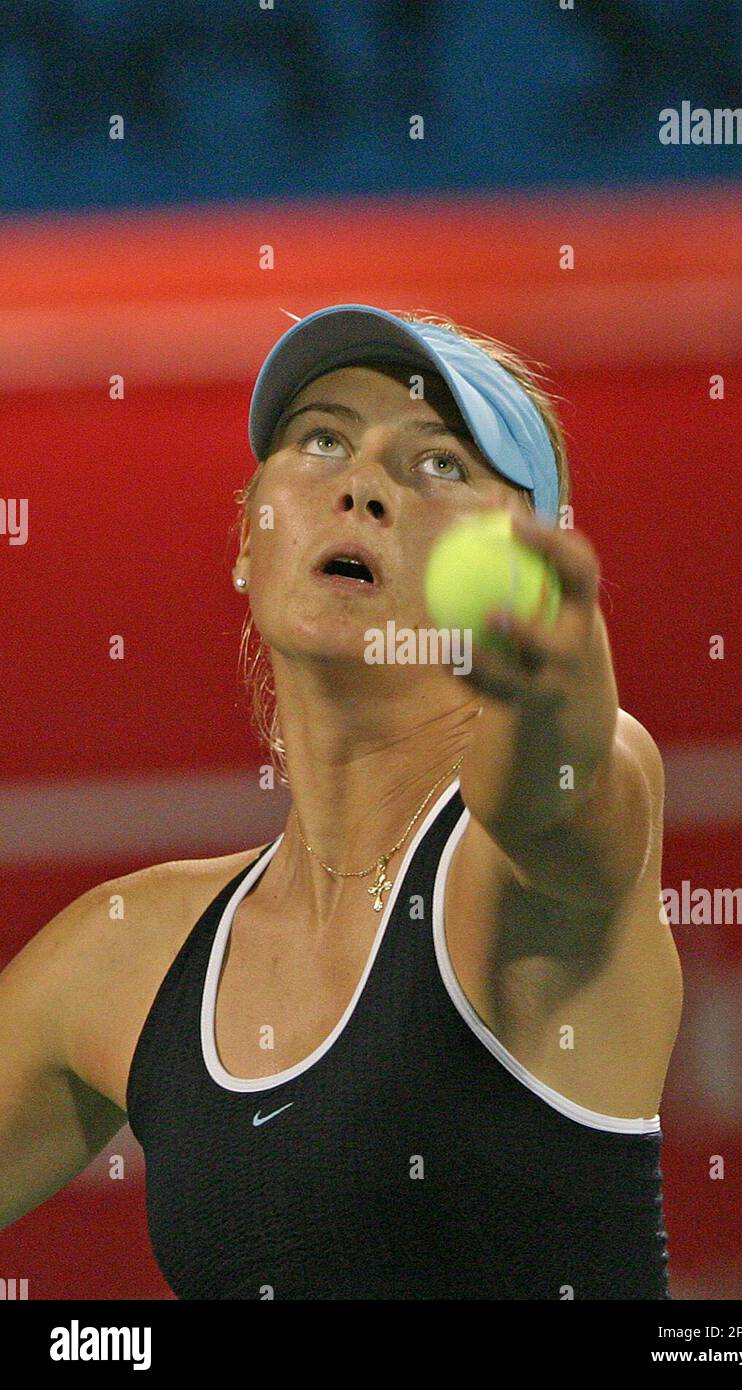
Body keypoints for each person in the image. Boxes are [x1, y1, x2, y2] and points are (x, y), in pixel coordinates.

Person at [0, 304, 682, 1299]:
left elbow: (560, 794)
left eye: (440, 463)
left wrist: (552, 674)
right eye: (321, 439)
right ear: (246, 540)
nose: (361, 483)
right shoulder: (120, 953)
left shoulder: (513, 869)